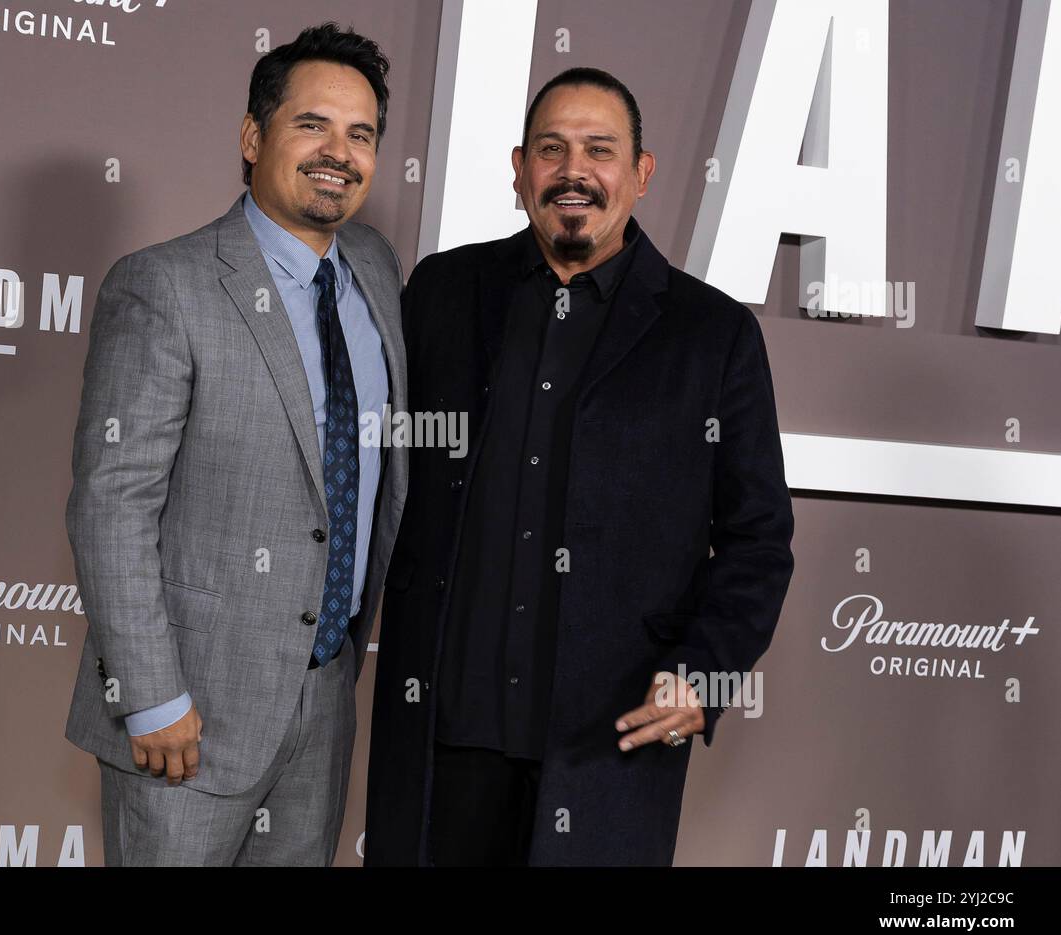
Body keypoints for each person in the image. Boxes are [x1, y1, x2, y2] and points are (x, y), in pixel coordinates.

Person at [364, 67, 794, 866]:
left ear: (642, 173)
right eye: (553, 150)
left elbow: (759, 538)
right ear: (521, 167)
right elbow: (383, 478)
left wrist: (705, 673)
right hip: (440, 744)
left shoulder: (714, 335)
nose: (574, 171)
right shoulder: (442, 292)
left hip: (608, 751)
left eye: (600, 150)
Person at [64, 22, 406, 866]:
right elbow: (112, 505)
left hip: (325, 705)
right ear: (253, 138)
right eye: (312, 125)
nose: (339, 152)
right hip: (188, 716)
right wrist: (149, 698)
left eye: (360, 134)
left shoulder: (376, 271)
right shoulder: (164, 286)